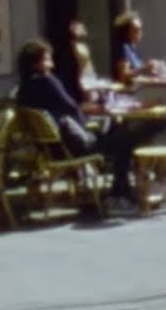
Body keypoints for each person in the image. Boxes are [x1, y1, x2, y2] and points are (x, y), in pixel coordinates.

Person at [14, 39, 136, 212]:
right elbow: (71, 107)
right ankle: (120, 193)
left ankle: (119, 189)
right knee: (123, 139)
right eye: (46, 59)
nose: (51, 62)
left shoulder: (24, 88)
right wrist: (88, 122)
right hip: (74, 146)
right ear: (35, 64)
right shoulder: (47, 81)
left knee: (114, 134)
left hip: (51, 149)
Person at [111, 11, 158, 85]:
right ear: (126, 32)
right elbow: (123, 76)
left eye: (140, 29)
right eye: (136, 30)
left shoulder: (131, 48)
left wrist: (148, 68)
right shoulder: (122, 49)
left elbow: (135, 70)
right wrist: (144, 69)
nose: (140, 33)